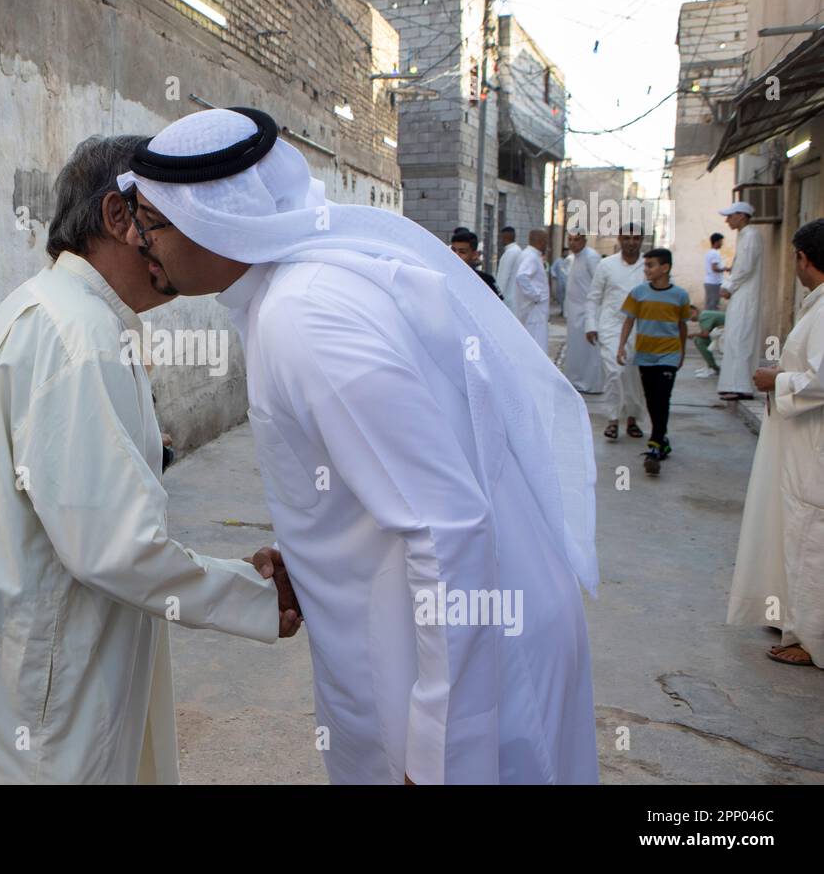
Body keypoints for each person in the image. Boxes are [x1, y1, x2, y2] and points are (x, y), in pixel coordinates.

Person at [116, 107, 598, 785]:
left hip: (459, 660)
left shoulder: (306, 315)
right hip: (434, 625)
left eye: (151, 221)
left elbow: (445, 525)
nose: (138, 241)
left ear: (217, 220)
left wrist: (438, 749)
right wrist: (313, 553)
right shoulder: (297, 289)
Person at [0, 135, 297, 785]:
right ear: (119, 218)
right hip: (19, 689)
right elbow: (115, 548)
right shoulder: (81, 337)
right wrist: (257, 595)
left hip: (7, 664)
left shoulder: (61, 312)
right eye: (175, 218)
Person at [728, 219, 824, 668]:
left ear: (804, 259)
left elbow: (820, 380)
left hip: (813, 448)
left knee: (809, 532)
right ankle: (791, 614)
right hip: (799, 442)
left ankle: (811, 637)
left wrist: (775, 379)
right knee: (796, 527)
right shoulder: (816, 305)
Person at [617, 249, 689, 476]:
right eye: (645, 265)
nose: (646, 269)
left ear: (665, 268)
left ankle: (655, 444)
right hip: (645, 355)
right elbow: (629, 321)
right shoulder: (638, 293)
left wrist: (682, 352)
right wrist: (621, 346)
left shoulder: (680, 296)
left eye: (651, 265)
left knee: (663, 397)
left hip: (668, 354)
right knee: (651, 399)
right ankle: (662, 438)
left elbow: (682, 326)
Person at [585, 226, 647, 440]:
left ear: (641, 240)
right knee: (614, 371)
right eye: (627, 238)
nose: (631, 242)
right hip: (611, 325)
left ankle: (632, 419)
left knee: (634, 375)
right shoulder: (606, 265)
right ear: (620, 239)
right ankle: (612, 419)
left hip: (640, 328)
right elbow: (593, 297)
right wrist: (590, 325)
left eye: (636, 238)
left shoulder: (648, 265)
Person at [717, 202, 764, 401]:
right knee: (735, 338)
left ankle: (740, 386)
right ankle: (735, 384)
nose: (727, 220)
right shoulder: (746, 235)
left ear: (742, 216)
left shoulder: (751, 236)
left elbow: (744, 267)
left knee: (740, 339)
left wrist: (729, 286)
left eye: (730, 216)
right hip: (742, 295)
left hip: (745, 296)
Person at [563, 231, 604, 393]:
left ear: (584, 241)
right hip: (574, 312)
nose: (573, 243)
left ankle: (591, 385)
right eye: (570, 240)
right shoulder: (573, 259)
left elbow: (598, 284)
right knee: (576, 350)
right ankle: (576, 381)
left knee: (589, 351)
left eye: (576, 240)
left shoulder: (591, 257)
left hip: (587, 312)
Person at [513, 228, 551, 353]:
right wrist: (536, 296)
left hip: (532, 311)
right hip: (534, 312)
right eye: (546, 241)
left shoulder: (529, 254)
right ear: (540, 241)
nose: (547, 244)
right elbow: (522, 276)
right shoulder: (531, 257)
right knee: (537, 347)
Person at [449, 228, 503, 298]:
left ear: (475, 255)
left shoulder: (486, 280)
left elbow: (498, 306)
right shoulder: (443, 278)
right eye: (453, 250)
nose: (456, 255)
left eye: (462, 252)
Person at [693, 306, 725, 379]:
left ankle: (713, 368)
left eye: (690, 313)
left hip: (728, 333)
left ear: (695, 311)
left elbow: (705, 334)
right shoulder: (704, 314)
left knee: (700, 341)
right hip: (723, 332)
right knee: (699, 339)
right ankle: (710, 366)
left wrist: (693, 334)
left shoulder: (703, 316)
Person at [495, 225, 522, 311]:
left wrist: (497, 296)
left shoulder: (510, 253)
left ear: (505, 237)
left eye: (500, 237)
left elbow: (503, 277)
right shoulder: (518, 250)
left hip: (508, 298)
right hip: (515, 297)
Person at [703, 232, 727, 312]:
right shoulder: (715, 253)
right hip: (714, 282)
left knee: (710, 304)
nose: (722, 244)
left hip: (710, 282)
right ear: (716, 242)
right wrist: (725, 269)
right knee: (713, 305)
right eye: (721, 242)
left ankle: (708, 322)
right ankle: (711, 323)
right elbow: (714, 268)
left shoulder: (709, 252)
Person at [550, 248, 571, 315]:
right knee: (561, 297)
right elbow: (552, 268)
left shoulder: (570, 260)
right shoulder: (558, 261)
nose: (566, 254)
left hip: (568, 282)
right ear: (562, 253)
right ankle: (562, 310)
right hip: (560, 281)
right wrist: (554, 275)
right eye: (565, 252)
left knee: (567, 297)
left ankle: (567, 311)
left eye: (567, 252)